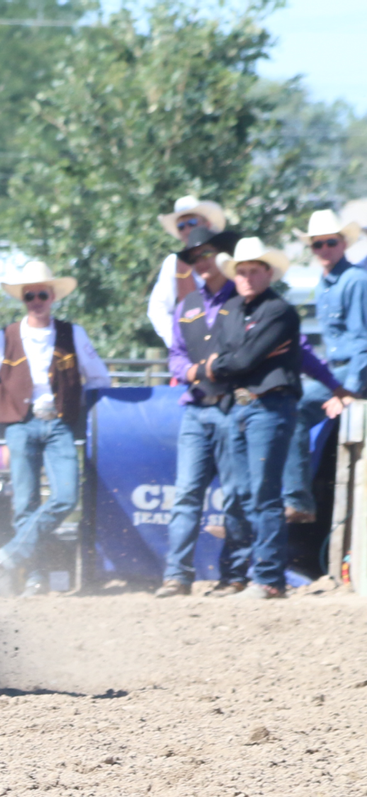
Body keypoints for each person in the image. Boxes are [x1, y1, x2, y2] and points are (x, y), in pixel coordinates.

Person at [0, 261, 111, 595]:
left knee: (64, 496)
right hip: (21, 425)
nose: (36, 300)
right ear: (24, 299)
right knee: (26, 503)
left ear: (52, 297)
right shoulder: (6, 335)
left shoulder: (72, 333)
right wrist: (9, 407)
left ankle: (10, 555)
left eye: (41, 294)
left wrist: (72, 407)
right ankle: (32, 576)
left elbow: (99, 377)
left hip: (57, 423)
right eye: (30, 295)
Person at [200, 238, 301, 599]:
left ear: (267, 273)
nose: (245, 277)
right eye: (241, 272)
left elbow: (236, 361)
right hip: (240, 406)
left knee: (263, 493)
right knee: (240, 494)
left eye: (253, 271)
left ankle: (270, 578)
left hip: (269, 405)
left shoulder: (280, 311)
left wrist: (225, 361)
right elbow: (221, 360)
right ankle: (241, 576)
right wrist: (229, 360)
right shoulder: (231, 310)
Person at [158, 228, 254, 597]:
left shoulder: (242, 299)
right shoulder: (188, 305)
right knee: (186, 494)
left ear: (222, 257)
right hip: (197, 407)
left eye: (206, 254)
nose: (201, 262)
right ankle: (177, 575)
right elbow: (176, 353)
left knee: (235, 495)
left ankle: (233, 575)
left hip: (233, 408)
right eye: (195, 257)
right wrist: (192, 371)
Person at [282, 210, 365, 523]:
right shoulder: (326, 283)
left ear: (343, 244)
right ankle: (289, 497)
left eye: (330, 242)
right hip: (340, 368)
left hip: (354, 370)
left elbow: (362, 343)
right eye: (318, 245)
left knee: (296, 408)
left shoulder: (355, 281)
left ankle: (298, 500)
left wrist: (347, 391)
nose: (325, 249)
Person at [148, 196, 229, 347]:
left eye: (192, 223)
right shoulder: (173, 263)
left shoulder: (226, 256)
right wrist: (176, 341)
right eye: (181, 226)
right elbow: (157, 308)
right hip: (193, 349)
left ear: (208, 224)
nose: (186, 230)